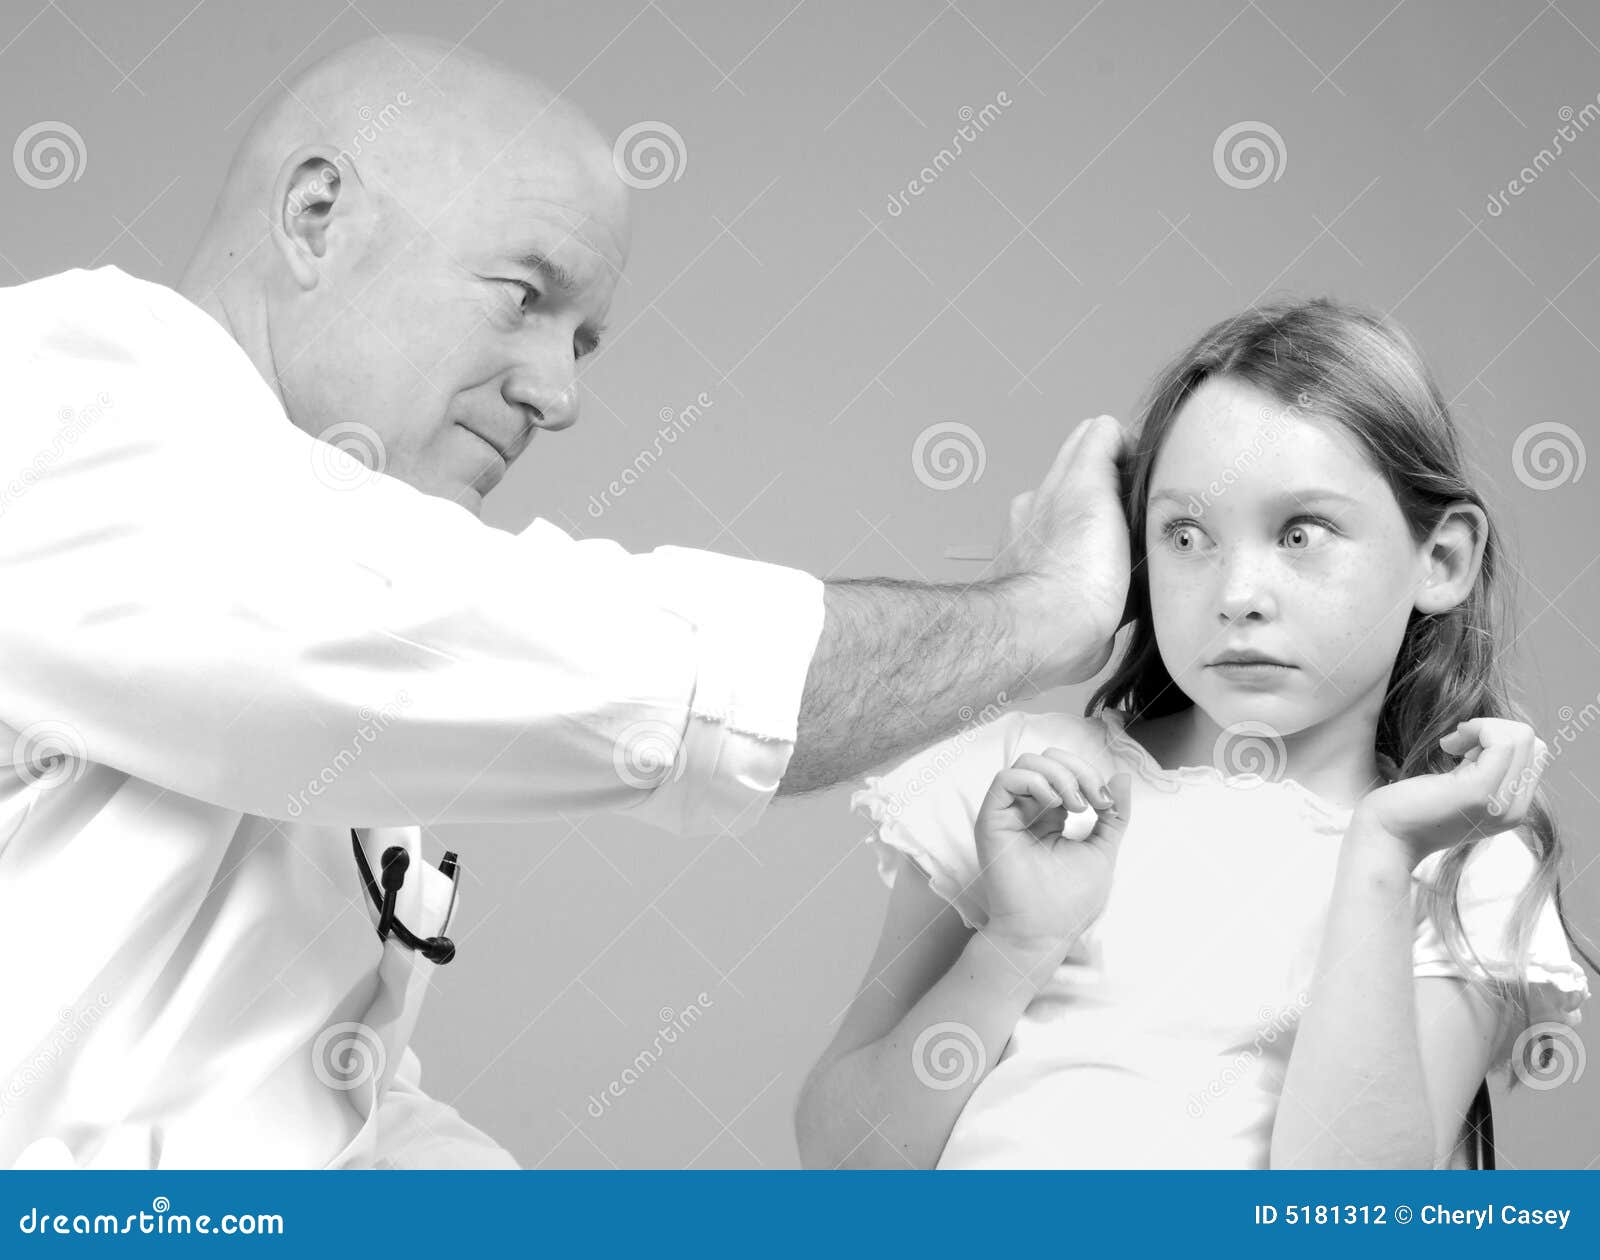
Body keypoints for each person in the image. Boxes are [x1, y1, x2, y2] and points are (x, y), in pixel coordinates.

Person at [0, 35, 1132, 1169]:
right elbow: (650, 675)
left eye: (582, 340)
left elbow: (333, 1110)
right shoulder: (65, 402)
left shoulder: (321, 633)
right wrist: (1046, 613)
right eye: (523, 295)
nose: (560, 392)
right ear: (314, 214)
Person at [795, 298, 1596, 1170]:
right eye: (1187, 534)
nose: (1236, 591)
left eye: (1301, 532)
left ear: (1439, 560)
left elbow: (1356, 1216)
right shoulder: (1020, 782)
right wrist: (1017, 944)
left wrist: (1381, 851)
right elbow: (847, 1163)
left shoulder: (1460, 862)